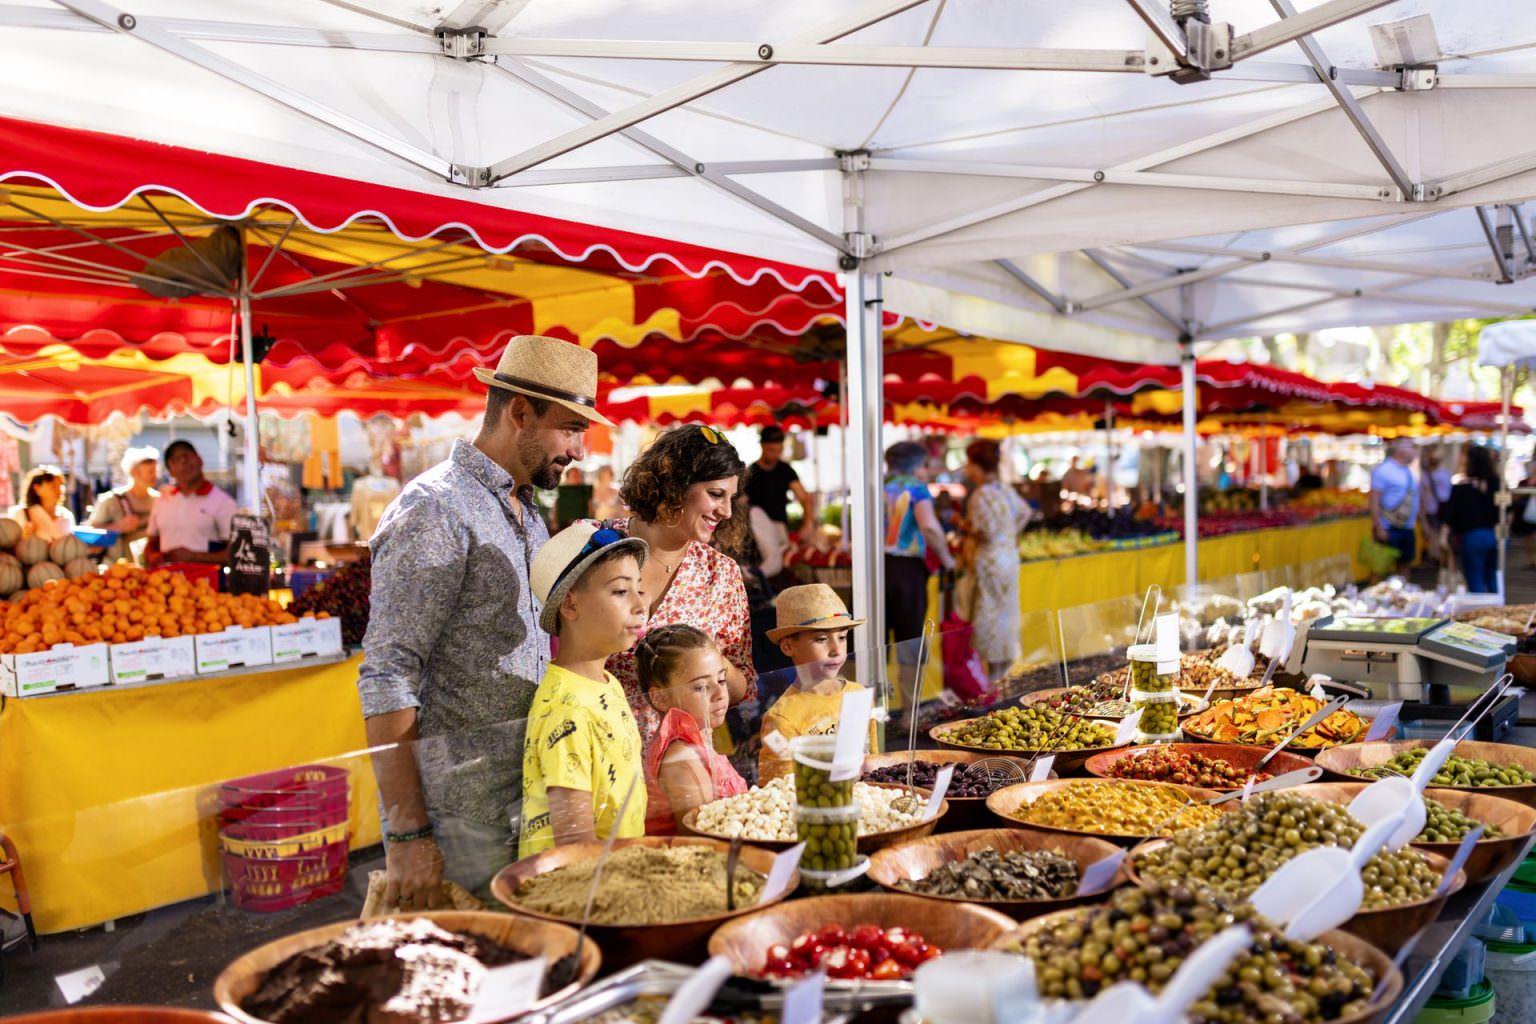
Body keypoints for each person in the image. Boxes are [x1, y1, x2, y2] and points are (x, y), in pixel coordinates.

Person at [358, 334, 609, 907]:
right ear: (520, 411)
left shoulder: (527, 510)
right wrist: (407, 833)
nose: (577, 450)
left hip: (532, 789)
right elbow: (387, 675)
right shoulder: (435, 507)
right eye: (570, 429)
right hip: (465, 810)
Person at [597, 424, 757, 751]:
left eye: (731, 498)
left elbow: (744, 687)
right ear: (674, 485)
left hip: (681, 764)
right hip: (599, 756)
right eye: (716, 495)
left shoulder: (720, 573)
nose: (726, 512)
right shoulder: (597, 546)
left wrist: (710, 659)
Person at [518, 522, 649, 856]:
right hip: (583, 891)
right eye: (621, 591)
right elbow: (575, 845)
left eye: (640, 588)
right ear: (571, 605)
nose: (639, 604)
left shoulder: (608, 683)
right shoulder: (568, 707)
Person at [757, 584, 878, 782]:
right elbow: (779, 791)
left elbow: (872, 763)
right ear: (788, 646)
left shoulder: (858, 694)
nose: (836, 650)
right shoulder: (781, 719)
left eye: (842, 637)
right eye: (821, 639)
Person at [638, 624, 748, 834]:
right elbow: (699, 840)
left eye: (721, 680)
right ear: (659, 697)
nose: (719, 693)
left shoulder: (697, 743)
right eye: (701, 687)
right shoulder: (681, 758)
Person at [883, 441, 955, 707]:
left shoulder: (873, 485)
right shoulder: (914, 487)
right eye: (925, 465)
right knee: (910, 642)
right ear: (916, 465)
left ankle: (871, 715)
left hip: (873, 569)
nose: (926, 471)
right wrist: (947, 559)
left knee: (872, 645)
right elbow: (930, 528)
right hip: (906, 571)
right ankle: (908, 712)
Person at [963, 440, 1032, 683]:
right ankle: (1005, 675)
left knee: (989, 615)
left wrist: (962, 526)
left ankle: (993, 679)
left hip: (990, 559)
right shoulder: (1004, 488)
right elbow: (1025, 512)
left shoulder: (981, 494)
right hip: (1008, 557)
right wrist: (1010, 535)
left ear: (976, 465)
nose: (966, 468)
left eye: (968, 463)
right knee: (1007, 613)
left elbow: (986, 532)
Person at [144, 441, 237, 566]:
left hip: (207, 582)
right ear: (170, 471)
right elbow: (151, 543)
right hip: (165, 582)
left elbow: (236, 553)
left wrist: (194, 556)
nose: (184, 462)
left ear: (200, 460)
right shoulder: (162, 500)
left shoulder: (223, 502)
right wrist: (152, 556)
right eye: (176, 460)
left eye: (187, 456)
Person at [1440, 445, 1502, 594]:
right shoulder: (1497, 484)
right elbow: (1507, 510)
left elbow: (1450, 515)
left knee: (1475, 578)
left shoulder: (1462, 487)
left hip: (1472, 536)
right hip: (1494, 535)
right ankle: (1497, 609)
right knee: (1492, 576)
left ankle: (1480, 611)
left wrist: (1443, 537)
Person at [743, 425, 814, 545]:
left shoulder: (786, 470)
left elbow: (804, 498)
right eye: (772, 450)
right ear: (762, 446)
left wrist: (808, 523)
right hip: (756, 531)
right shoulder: (751, 472)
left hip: (779, 528)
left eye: (779, 450)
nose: (776, 455)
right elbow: (741, 503)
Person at [90, 447, 160, 564]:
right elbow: (91, 533)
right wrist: (118, 527)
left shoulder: (160, 500)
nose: (155, 476)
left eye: (155, 471)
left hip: (152, 568)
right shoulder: (112, 500)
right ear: (134, 472)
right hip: (118, 571)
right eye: (150, 472)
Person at [1369, 438, 1419, 573]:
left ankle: (1402, 592)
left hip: (1407, 527)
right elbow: (1374, 500)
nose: (1415, 452)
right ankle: (1376, 593)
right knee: (1380, 567)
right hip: (1389, 527)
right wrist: (1378, 527)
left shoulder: (1407, 470)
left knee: (1404, 565)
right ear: (1401, 451)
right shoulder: (1383, 470)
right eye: (1412, 448)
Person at [17, 465, 75, 543]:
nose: (58, 490)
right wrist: (23, 536)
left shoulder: (66, 516)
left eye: (60, 486)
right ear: (37, 489)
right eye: (53, 486)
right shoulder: (23, 514)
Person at [1420, 450, 1453, 564]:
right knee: (1442, 532)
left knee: (1434, 532)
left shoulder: (1426, 476)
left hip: (1432, 507)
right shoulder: (1445, 473)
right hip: (1444, 506)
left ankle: (1435, 554)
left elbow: (1423, 495)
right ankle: (1442, 556)